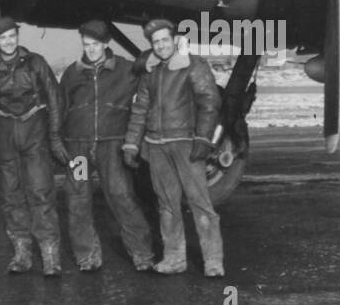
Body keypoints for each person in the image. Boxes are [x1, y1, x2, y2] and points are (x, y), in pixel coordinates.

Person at [123, 19, 224, 277]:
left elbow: (209, 102)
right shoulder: (151, 71)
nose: (161, 46)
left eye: (164, 40)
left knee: (200, 203)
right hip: (156, 146)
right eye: (156, 42)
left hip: (185, 144)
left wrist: (203, 139)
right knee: (167, 204)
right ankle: (174, 258)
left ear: (174, 39)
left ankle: (213, 261)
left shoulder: (193, 64)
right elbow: (140, 109)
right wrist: (132, 144)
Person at [60, 20, 154, 273]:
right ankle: (86, 256)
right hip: (78, 147)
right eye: (86, 45)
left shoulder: (125, 69)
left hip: (111, 145)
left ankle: (142, 254)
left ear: (105, 44)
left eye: (95, 45)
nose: (90, 50)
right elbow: (60, 108)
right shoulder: (72, 73)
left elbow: (150, 79)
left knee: (121, 195)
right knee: (78, 197)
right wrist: (57, 141)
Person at [0, 16, 69, 276]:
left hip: (35, 131)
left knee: (42, 192)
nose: (8, 42)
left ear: (17, 37)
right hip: (5, 135)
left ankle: (51, 256)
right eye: (2, 38)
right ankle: (22, 253)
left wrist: (54, 136)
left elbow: (55, 98)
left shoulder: (36, 63)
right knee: (10, 196)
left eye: (12, 36)